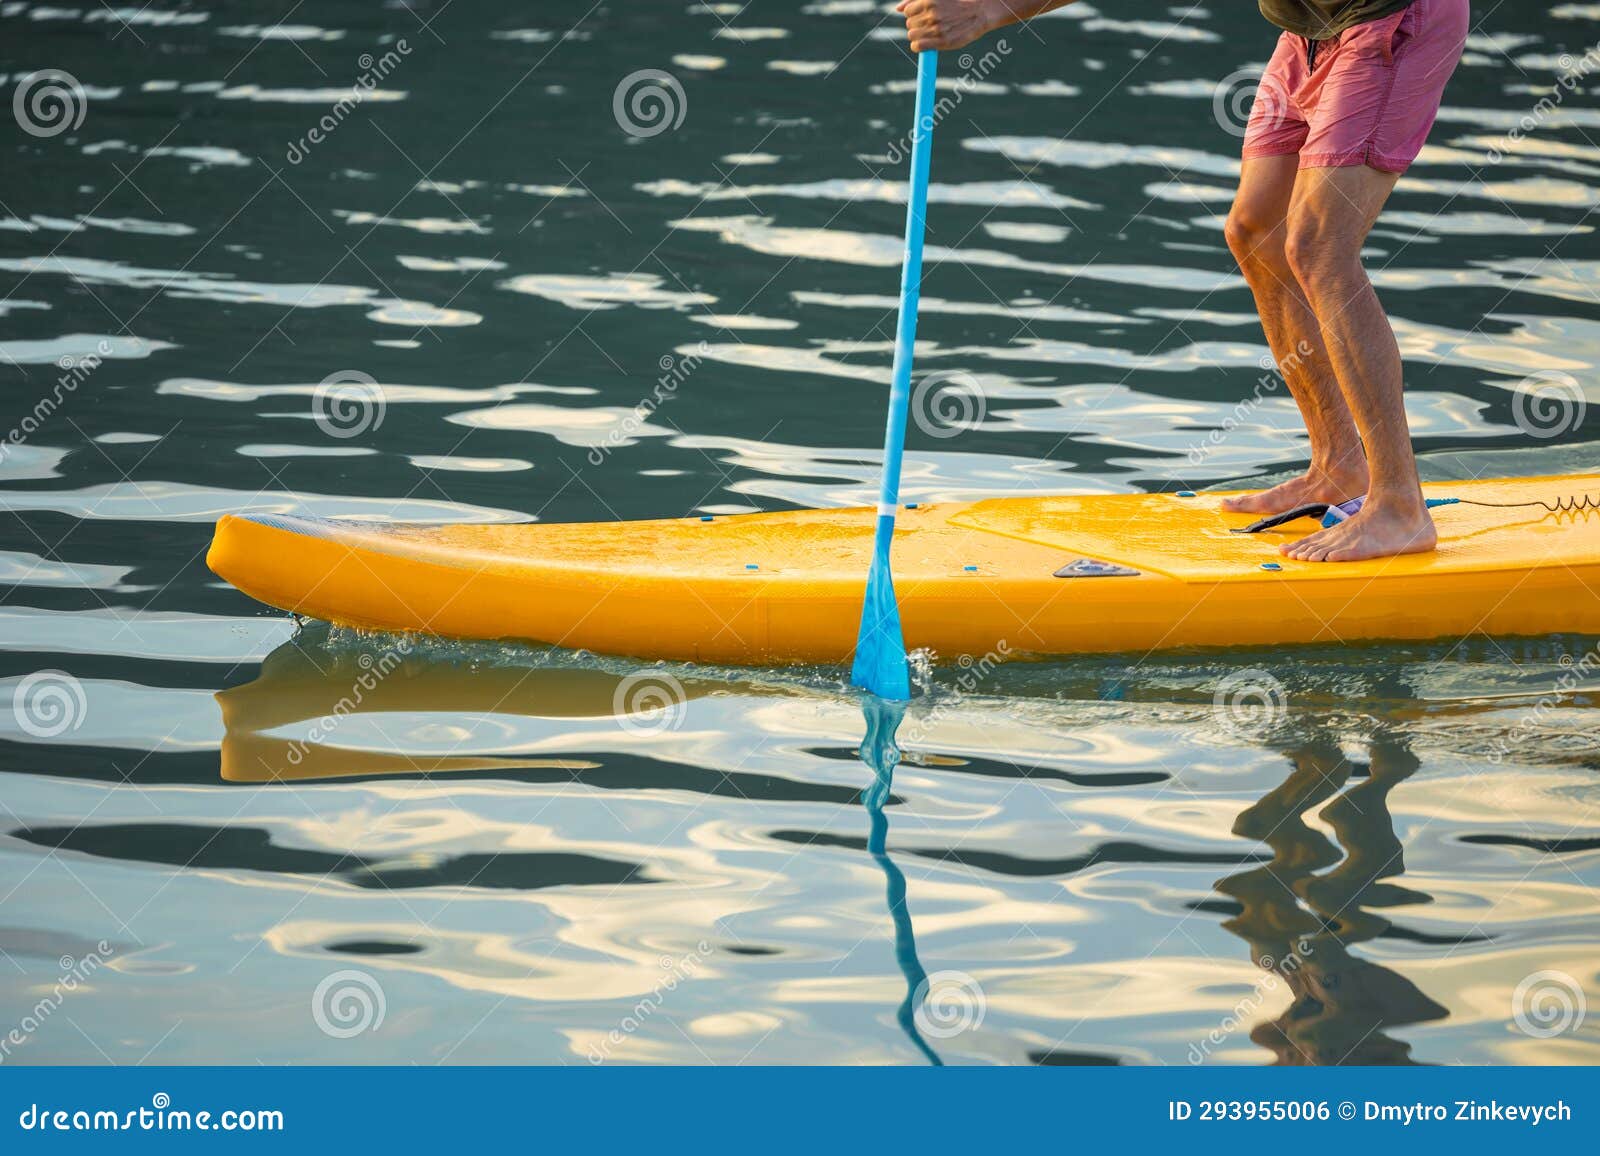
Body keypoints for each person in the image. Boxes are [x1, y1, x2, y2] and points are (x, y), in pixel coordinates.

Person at [897, 0, 1470, 562]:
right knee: (1256, 231)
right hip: (1311, 28)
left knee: (1321, 247)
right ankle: (1339, 466)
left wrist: (994, 9)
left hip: (1392, 20)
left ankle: (1399, 505)